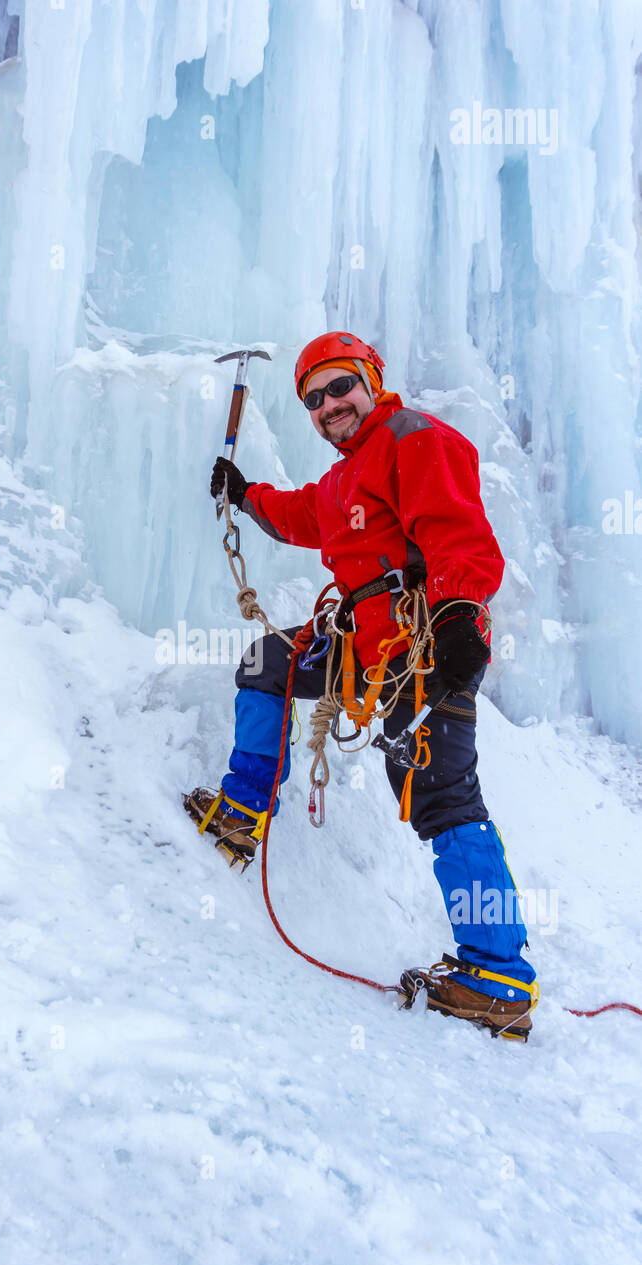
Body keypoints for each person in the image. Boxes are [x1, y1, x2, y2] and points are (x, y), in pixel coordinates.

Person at [184, 331, 537, 1040]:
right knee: (265, 666)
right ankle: (242, 815)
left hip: (425, 649)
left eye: (339, 386)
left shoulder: (412, 438)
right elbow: (300, 515)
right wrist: (247, 495)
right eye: (313, 399)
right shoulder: (346, 477)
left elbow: (456, 532)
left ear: (373, 380)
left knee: (443, 798)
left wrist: (462, 613)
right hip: (359, 649)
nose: (327, 406)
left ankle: (497, 976)